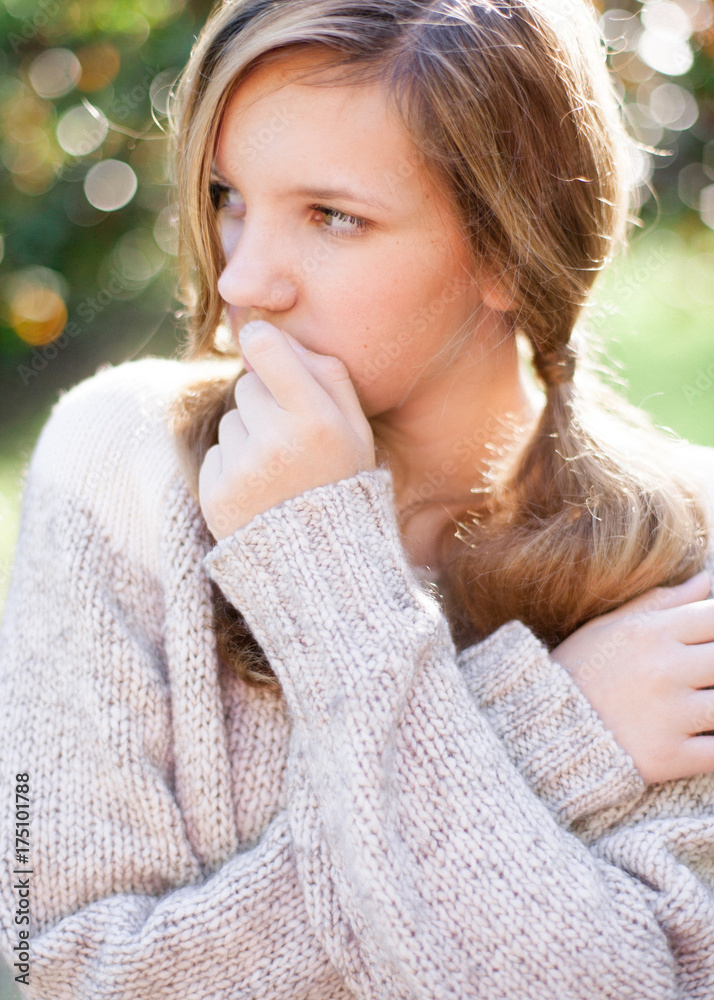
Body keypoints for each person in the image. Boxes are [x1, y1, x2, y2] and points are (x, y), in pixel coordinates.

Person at [1, 0, 714, 997]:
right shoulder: (118, 468)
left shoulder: (683, 574)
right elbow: (61, 968)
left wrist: (328, 585)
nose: (244, 280)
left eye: (333, 216)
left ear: (511, 245)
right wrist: (548, 734)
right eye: (227, 195)